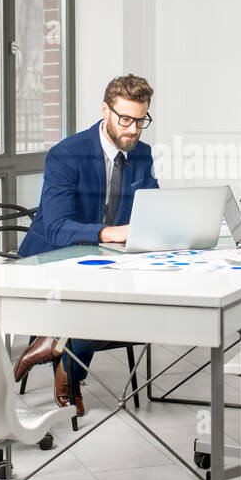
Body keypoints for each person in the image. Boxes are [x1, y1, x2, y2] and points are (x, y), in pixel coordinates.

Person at [11, 74, 160, 414]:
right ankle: (69, 368)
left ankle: (56, 344)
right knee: (102, 301)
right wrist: (111, 232)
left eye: (141, 120)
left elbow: (151, 206)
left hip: (101, 260)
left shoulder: (142, 154)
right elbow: (58, 226)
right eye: (125, 119)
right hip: (48, 259)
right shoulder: (67, 154)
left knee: (142, 302)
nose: (133, 130)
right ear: (105, 110)